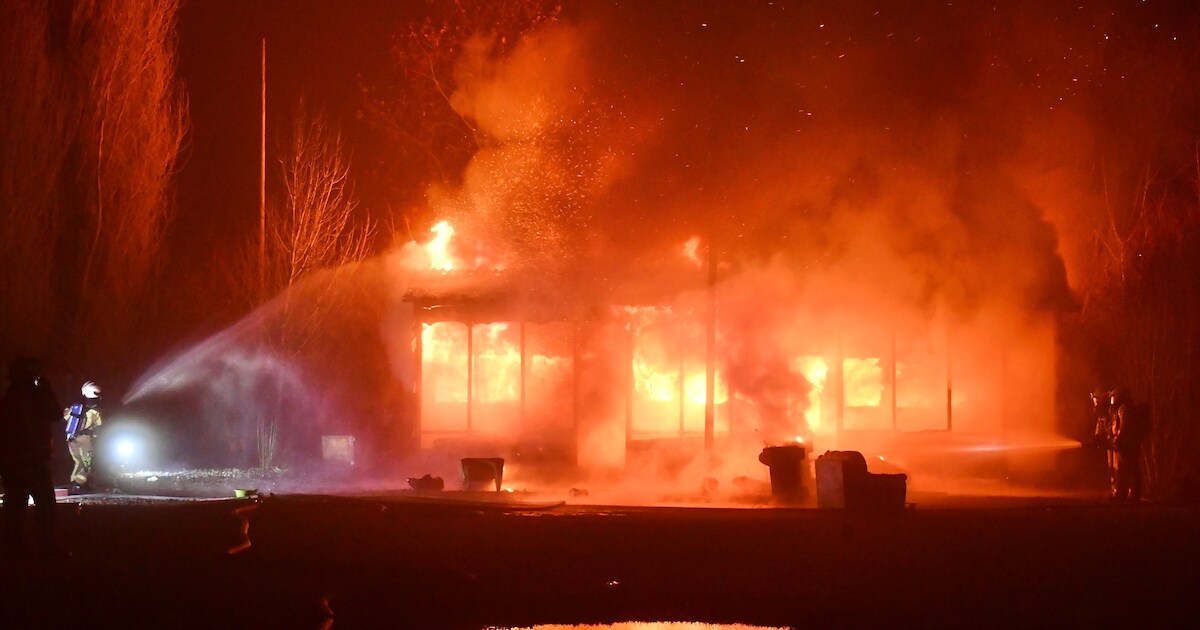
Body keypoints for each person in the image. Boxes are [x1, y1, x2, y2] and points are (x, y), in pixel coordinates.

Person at [0, 356, 62, 557]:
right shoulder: (36, 397)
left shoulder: (7, 400)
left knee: (15, 509)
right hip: (34, 462)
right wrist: (47, 388)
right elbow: (56, 413)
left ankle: (13, 550)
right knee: (45, 508)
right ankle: (48, 548)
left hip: (12, 464)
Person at [1109, 387, 1148, 502]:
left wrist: (1118, 441)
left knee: (1124, 469)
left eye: (1113, 397)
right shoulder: (1127, 408)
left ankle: (1122, 494)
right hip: (1130, 444)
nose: (1112, 400)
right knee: (1132, 468)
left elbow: (1124, 428)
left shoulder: (1124, 409)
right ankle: (1134, 494)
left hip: (1127, 445)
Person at [64, 380, 103, 493]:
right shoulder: (95, 411)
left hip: (71, 438)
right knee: (87, 462)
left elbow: (65, 417)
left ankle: (77, 483)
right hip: (85, 440)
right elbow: (98, 426)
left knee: (78, 462)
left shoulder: (75, 408)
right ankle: (79, 484)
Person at [1090, 388, 1116, 496]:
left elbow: (1112, 429)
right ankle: (1115, 490)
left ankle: (1122, 491)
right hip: (1111, 444)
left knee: (1118, 467)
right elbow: (1100, 427)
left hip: (1116, 445)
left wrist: (1107, 440)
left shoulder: (1110, 412)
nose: (1094, 403)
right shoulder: (1102, 414)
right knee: (1112, 468)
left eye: (1096, 400)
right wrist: (1096, 438)